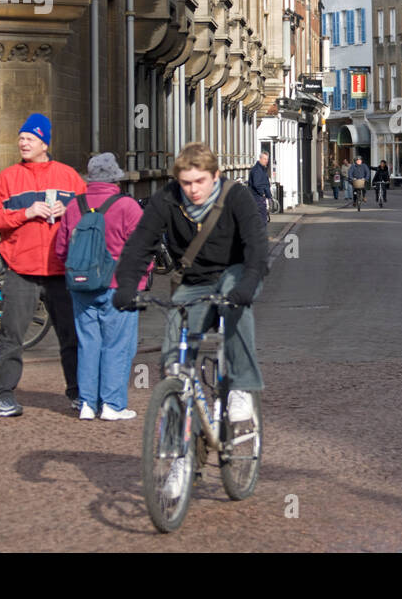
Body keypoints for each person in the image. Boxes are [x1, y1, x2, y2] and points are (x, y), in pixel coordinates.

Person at [114, 142, 268, 427]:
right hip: (194, 280)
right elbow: (139, 245)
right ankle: (180, 454)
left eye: (200, 181)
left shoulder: (236, 197)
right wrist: (125, 286)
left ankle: (240, 387)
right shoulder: (167, 200)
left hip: (235, 272)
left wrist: (249, 283)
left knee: (235, 305)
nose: (193, 189)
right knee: (174, 362)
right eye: (186, 183)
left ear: (216, 175)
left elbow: (256, 246)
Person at [0, 113, 87, 417]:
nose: (23, 142)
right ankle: (2, 396)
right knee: (11, 335)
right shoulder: (7, 178)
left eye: (29, 138)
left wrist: (69, 210)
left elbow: (90, 212)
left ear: (44, 143)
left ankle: (78, 393)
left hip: (60, 271)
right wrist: (25, 213)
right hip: (21, 270)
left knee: (71, 336)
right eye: (21, 138)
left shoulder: (69, 176)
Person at [53, 153, 147, 421]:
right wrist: (141, 279)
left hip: (82, 286)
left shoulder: (74, 206)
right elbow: (142, 249)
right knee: (117, 346)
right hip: (119, 285)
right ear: (116, 176)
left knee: (88, 344)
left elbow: (62, 249)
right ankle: (113, 405)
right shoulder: (127, 206)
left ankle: (87, 403)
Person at [249, 151, 271, 225]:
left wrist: (268, 196)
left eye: (267, 159)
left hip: (260, 198)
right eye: (264, 159)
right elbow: (257, 184)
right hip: (258, 198)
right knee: (262, 221)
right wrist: (263, 193)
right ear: (260, 159)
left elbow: (264, 183)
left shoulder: (262, 169)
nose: (266, 161)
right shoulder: (257, 170)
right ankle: (261, 236)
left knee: (262, 219)